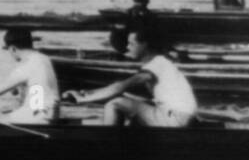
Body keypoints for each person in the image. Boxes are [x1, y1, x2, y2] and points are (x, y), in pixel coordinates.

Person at [62, 28, 197, 127]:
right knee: (129, 112)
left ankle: (108, 149)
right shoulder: (163, 62)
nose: (127, 47)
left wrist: (82, 99)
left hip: (176, 118)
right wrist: (87, 92)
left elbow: (120, 86)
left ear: (144, 44)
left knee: (115, 104)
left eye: (131, 43)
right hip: (178, 116)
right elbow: (123, 90)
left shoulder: (157, 64)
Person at [0, 28, 59, 123]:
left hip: (37, 115)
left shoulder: (24, 67)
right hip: (53, 113)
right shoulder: (45, 59)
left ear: (13, 48)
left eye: (8, 50)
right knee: (5, 114)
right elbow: (35, 85)